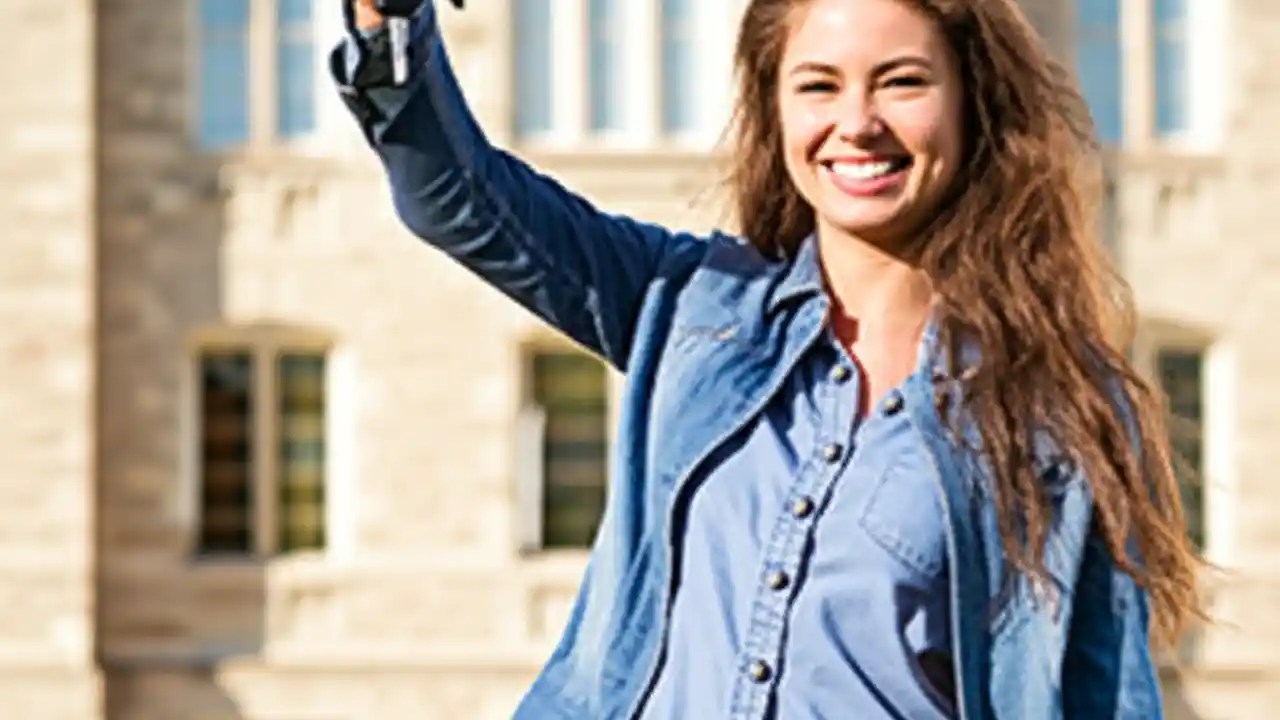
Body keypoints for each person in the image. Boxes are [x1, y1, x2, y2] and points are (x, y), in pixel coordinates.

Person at [332, 0, 1201, 717]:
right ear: (777, 109)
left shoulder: (1057, 411)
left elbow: (1104, 695)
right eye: (817, 85)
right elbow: (463, 200)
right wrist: (389, 30)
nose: (856, 124)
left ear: (973, 106)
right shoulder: (692, 306)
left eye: (901, 82)